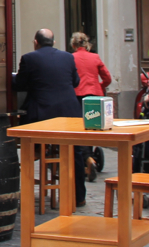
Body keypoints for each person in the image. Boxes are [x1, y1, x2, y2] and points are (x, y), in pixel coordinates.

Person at [14, 28, 84, 204]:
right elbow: (76, 82)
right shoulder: (68, 57)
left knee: (28, 143)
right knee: (76, 152)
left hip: (42, 115)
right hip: (69, 113)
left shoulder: (29, 58)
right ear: (53, 42)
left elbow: (20, 84)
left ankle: (32, 176)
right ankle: (79, 197)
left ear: (36, 42)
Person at [71, 32, 112, 182]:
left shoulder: (72, 58)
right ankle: (90, 158)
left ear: (74, 45)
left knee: (80, 128)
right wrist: (99, 87)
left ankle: (87, 159)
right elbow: (107, 77)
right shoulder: (95, 57)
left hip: (78, 95)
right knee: (91, 127)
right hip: (95, 96)